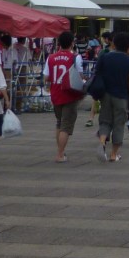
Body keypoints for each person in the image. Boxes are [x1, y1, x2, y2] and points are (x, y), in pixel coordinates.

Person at [96, 32, 129, 162]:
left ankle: (102, 141)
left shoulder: (105, 57)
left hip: (105, 94)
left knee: (105, 121)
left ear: (114, 43)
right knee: (119, 124)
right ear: (127, 45)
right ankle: (114, 154)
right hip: (121, 96)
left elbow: (97, 74)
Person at [44, 31, 85, 163]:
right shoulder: (75, 57)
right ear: (72, 43)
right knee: (66, 126)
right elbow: (80, 76)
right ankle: (60, 154)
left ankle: (60, 150)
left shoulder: (50, 57)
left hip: (55, 94)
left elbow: (46, 77)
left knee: (59, 123)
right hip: (69, 94)